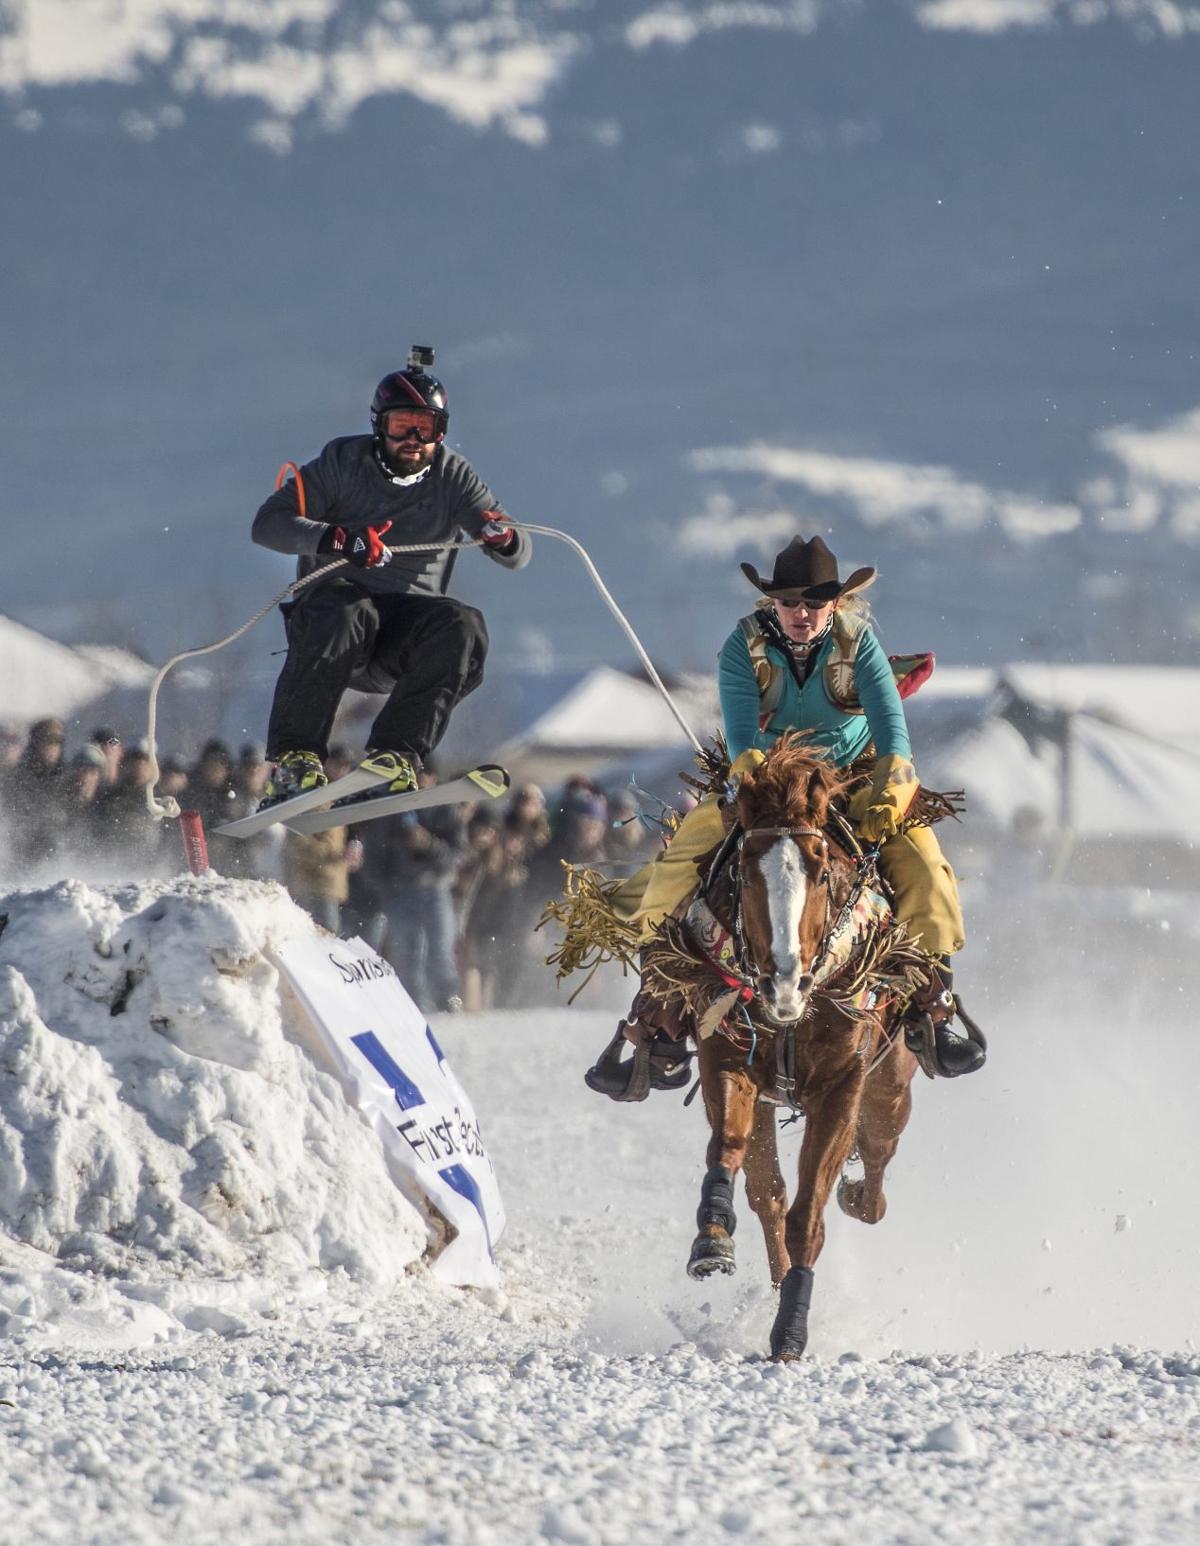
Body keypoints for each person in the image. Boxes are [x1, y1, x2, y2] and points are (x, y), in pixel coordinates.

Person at [610, 535, 985, 1080]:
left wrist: (889, 795)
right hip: (767, 781)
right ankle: (658, 1004)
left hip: (857, 782)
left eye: (814, 604)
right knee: (678, 862)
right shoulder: (744, 645)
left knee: (926, 869)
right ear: (773, 604)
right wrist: (759, 786)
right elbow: (742, 736)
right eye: (790, 603)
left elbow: (892, 734)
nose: (801, 614)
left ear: (837, 603)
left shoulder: (860, 644)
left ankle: (930, 1004)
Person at [250, 346, 531, 811]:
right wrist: (339, 540)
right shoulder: (342, 463)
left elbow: (519, 552)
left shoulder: (453, 476)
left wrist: (502, 539)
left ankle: (397, 755)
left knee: (463, 625)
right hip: (336, 628)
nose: (415, 439)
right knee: (344, 609)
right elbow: (267, 526)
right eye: (402, 427)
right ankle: (296, 758)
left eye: (429, 429)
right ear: (379, 425)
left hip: (401, 641)